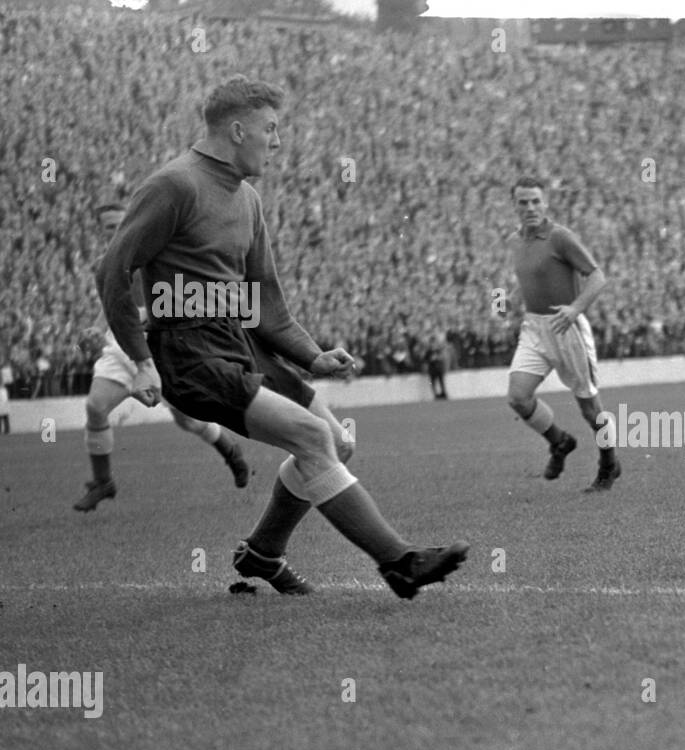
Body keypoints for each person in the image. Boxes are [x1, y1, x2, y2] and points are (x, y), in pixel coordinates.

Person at [95, 76, 467, 598]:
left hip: (243, 343)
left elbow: (266, 305)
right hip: (191, 351)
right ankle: (399, 562)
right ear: (238, 128)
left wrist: (315, 358)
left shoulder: (248, 199)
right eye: (271, 128)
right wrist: (140, 360)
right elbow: (112, 269)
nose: (278, 140)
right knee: (313, 439)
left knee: (337, 443)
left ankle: (262, 554)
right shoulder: (174, 186)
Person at [73, 201, 251, 512]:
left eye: (117, 225)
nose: (112, 232)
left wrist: (151, 318)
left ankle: (230, 451)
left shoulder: (152, 252)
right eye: (107, 228)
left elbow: (174, 297)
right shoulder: (106, 262)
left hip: (156, 343)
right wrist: (95, 332)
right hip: (121, 344)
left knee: (189, 421)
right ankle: (103, 482)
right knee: (95, 407)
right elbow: (112, 304)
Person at [504, 176, 620, 491]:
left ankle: (609, 461)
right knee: (517, 397)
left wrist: (575, 308)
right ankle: (559, 441)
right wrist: (509, 302)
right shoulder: (514, 241)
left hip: (566, 327)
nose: (530, 207)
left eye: (535, 201)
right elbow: (525, 280)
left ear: (546, 203)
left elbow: (597, 276)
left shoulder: (560, 238)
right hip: (534, 328)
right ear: (514, 205)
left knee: (589, 408)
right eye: (523, 202)